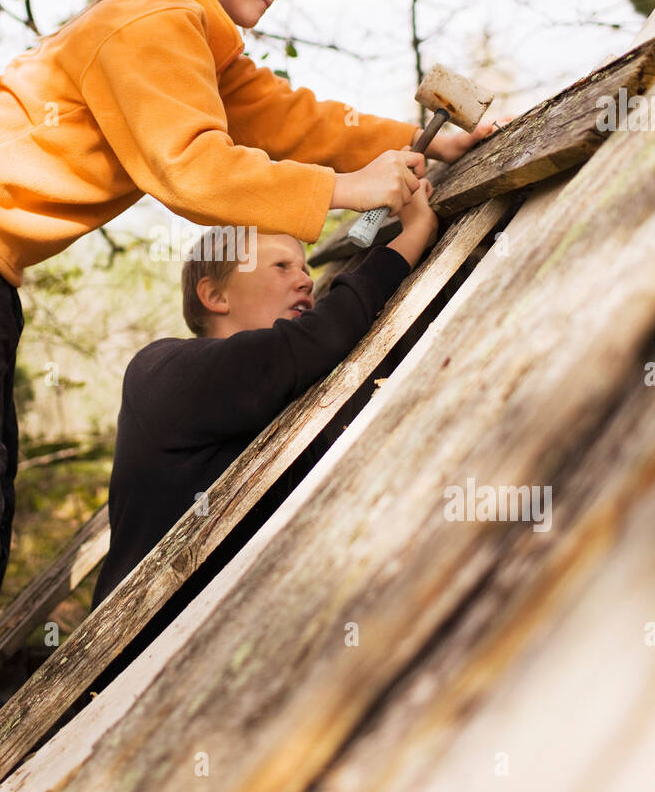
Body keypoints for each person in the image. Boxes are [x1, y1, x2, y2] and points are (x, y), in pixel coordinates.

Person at [0, 0, 496, 792]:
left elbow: (299, 123)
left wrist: (425, 146)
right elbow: (189, 166)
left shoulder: (205, 45)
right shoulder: (152, 18)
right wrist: (353, 193)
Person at [82, 188, 437, 703]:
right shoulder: (160, 372)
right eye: (280, 266)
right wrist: (411, 239)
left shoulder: (292, 402)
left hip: (251, 663)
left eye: (304, 268)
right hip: (134, 672)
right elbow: (305, 343)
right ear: (216, 296)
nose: (305, 278)